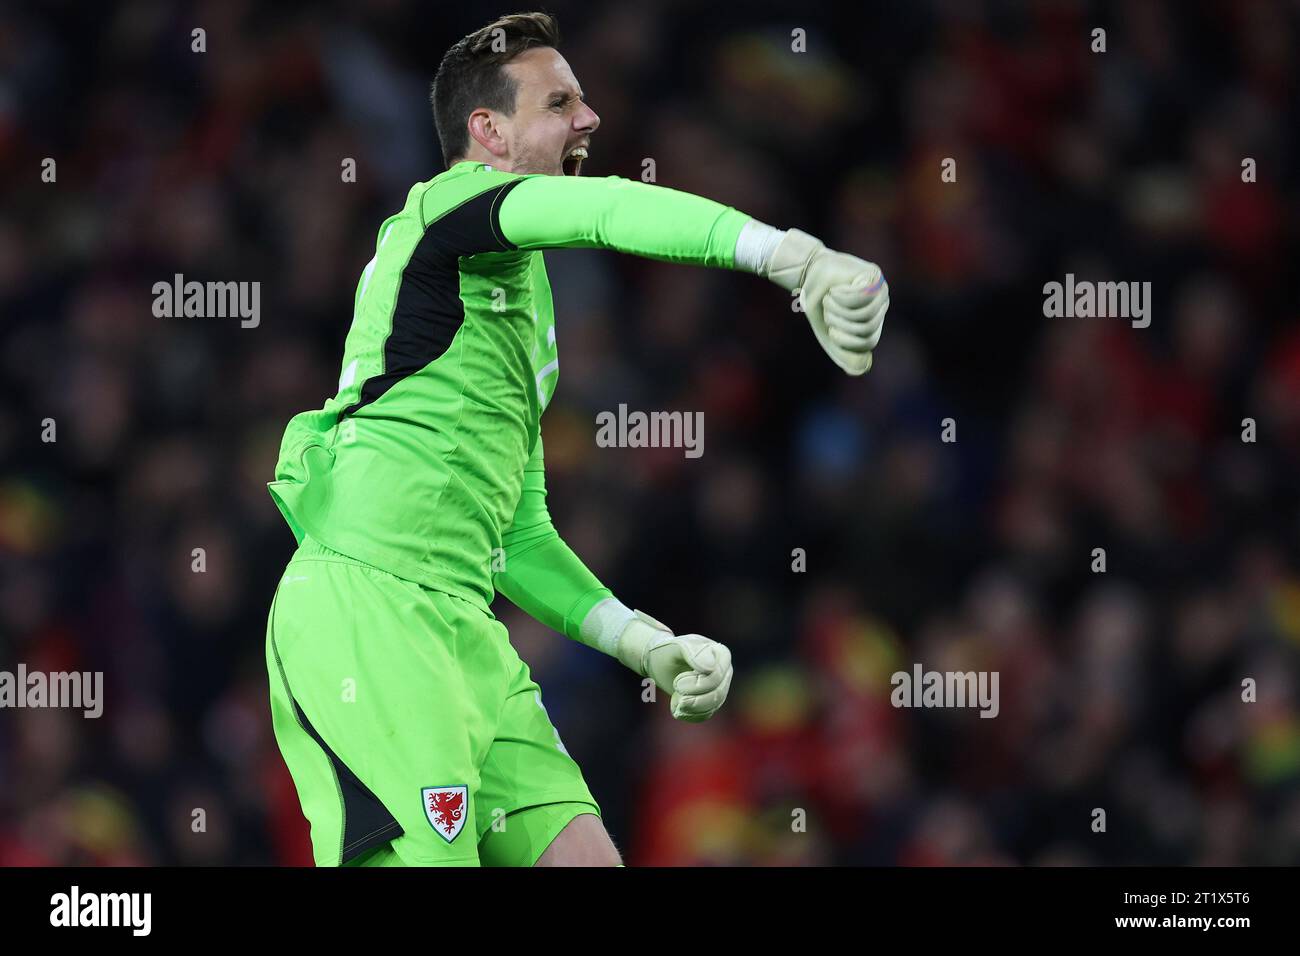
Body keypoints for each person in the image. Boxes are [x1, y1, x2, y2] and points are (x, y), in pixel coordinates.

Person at [264, 10, 889, 867]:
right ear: (487, 131)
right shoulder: (444, 209)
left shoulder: (529, 309)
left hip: (463, 627)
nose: (588, 120)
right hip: (368, 614)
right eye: (559, 102)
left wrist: (643, 642)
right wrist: (793, 257)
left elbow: (516, 536)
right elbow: (604, 211)